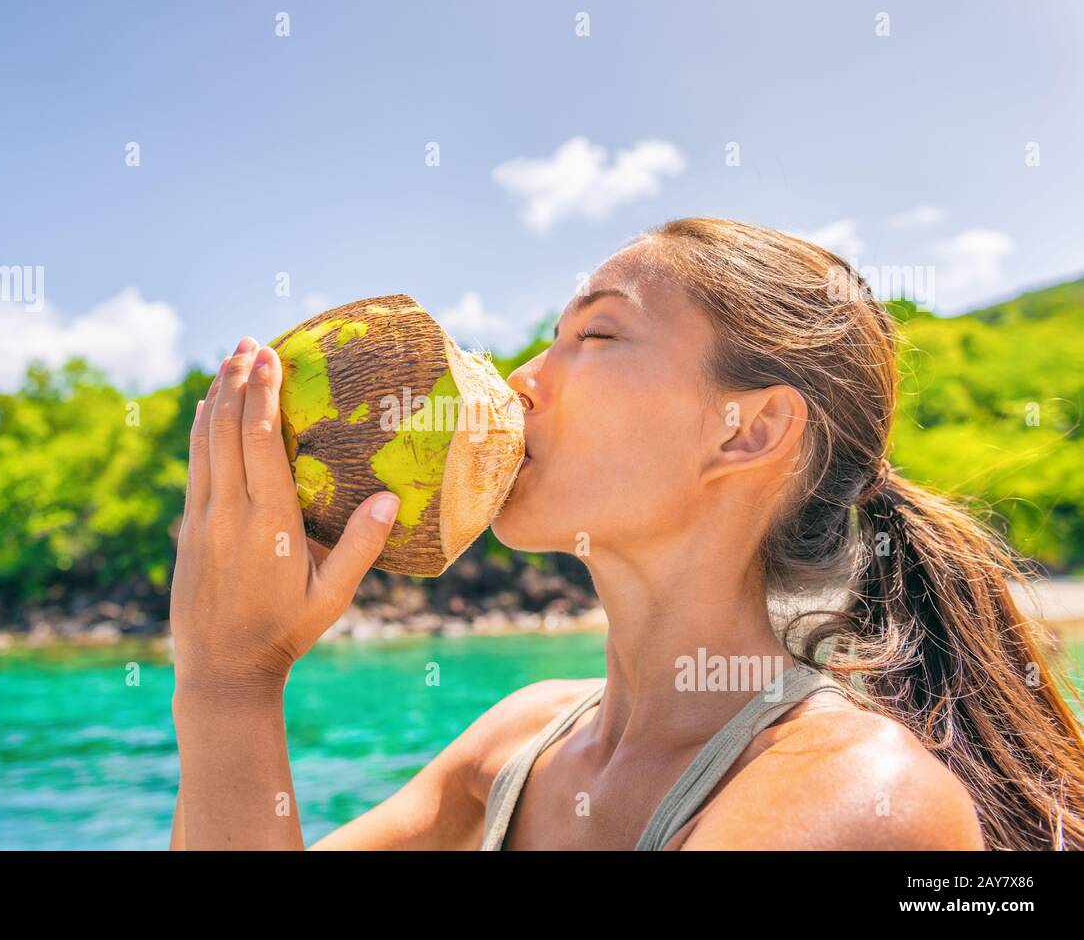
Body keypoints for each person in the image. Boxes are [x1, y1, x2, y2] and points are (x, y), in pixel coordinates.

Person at [168, 218, 1084, 850]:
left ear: (749, 428)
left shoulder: (859, 795)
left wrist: (231, 686)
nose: (522, 378)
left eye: (595, 336)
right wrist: (227, 668)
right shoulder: (514, 745)